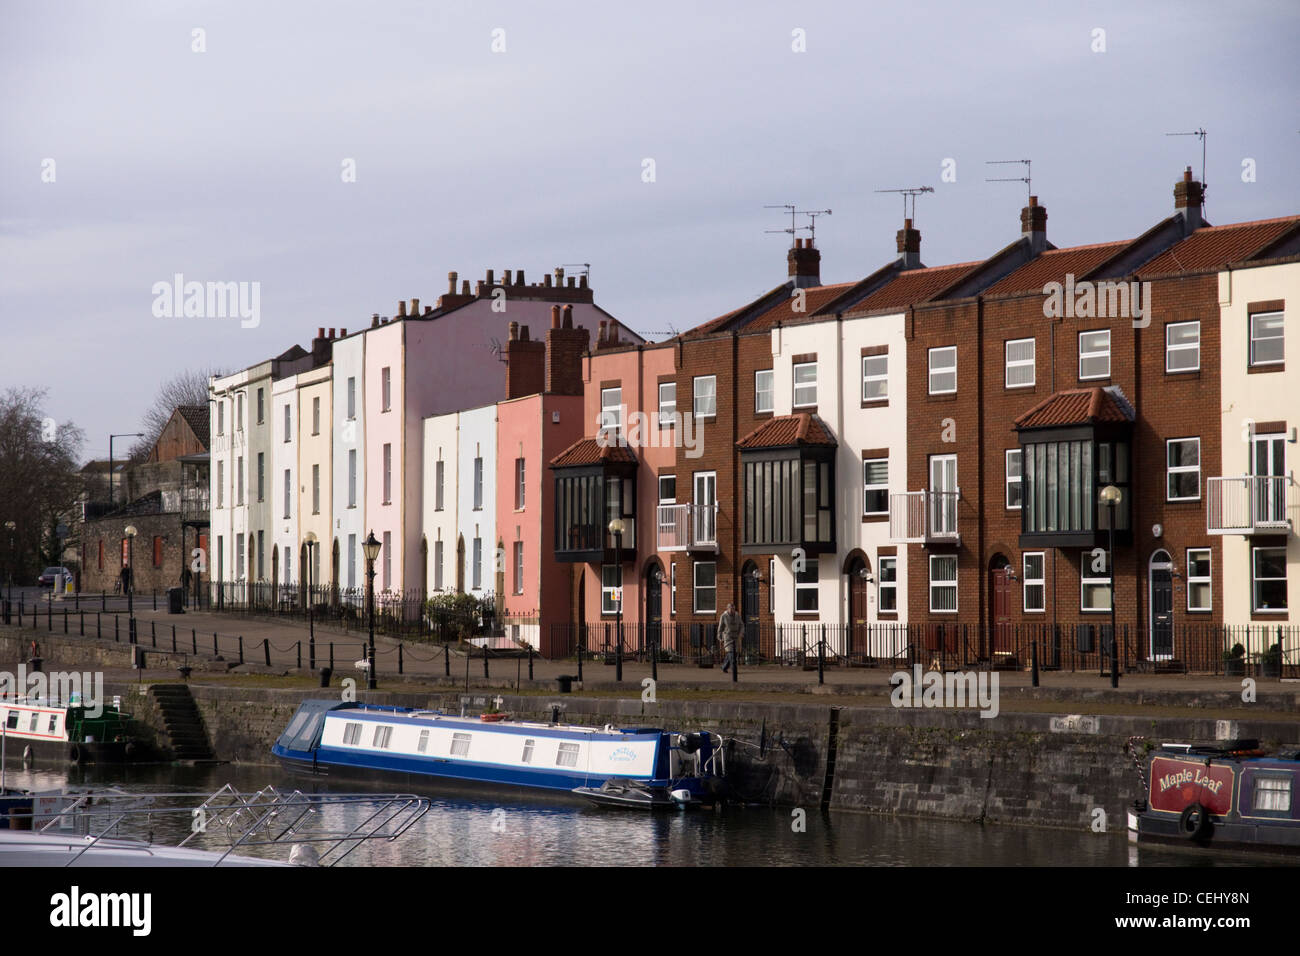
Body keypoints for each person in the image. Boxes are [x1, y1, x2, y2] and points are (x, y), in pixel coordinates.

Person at [717, 602, 742, 673]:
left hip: (736, 637)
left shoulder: (737, 616)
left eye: (733, 609)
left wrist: (741, 633)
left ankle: (724, 667)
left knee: (734, 653)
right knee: (731, 653)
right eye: (730, 608)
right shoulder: (723, 616)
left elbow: (741, 625)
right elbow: (720, 627)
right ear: (727, 609)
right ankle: (734, 669)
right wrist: (719, 637)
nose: (731, 610)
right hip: (728, 637)